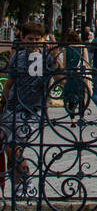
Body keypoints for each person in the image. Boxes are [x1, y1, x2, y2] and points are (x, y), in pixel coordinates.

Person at [0, 22, 62, 196]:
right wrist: (2, 103)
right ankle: (20, 187)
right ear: (22, 38)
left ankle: (26, 181)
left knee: (14, 147)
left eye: (37, 39)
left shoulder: (46, 56)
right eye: (30, 39)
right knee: (9, 149)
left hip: (31, 110)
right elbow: (9, 83)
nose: (34, 42)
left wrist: (55, 56)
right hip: (12, 108)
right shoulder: (17, 57)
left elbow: (61, 78)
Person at [61, 30, 90, 124]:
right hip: (80, 74)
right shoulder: (82, 48)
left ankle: (72, 118)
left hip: (70, 74)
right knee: (81, 96)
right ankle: (81, 116)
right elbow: (86, 62)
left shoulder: (66, 49)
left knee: (71, 97)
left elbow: (64, 63)